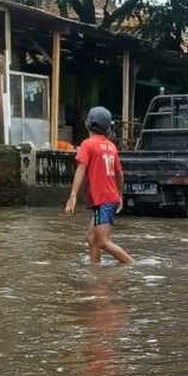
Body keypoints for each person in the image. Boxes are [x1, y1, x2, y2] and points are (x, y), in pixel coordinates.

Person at [65, 106, 133, 265]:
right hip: (107, 199)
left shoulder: (87, 144)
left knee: (102, 241)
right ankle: (95, 270)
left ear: (88, 124)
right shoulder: (111, 146)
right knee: (91, 239)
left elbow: (81, 168)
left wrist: (73, 195)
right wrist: (120, 196)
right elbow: (120, 174)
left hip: (103, 201)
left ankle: (133, 266)